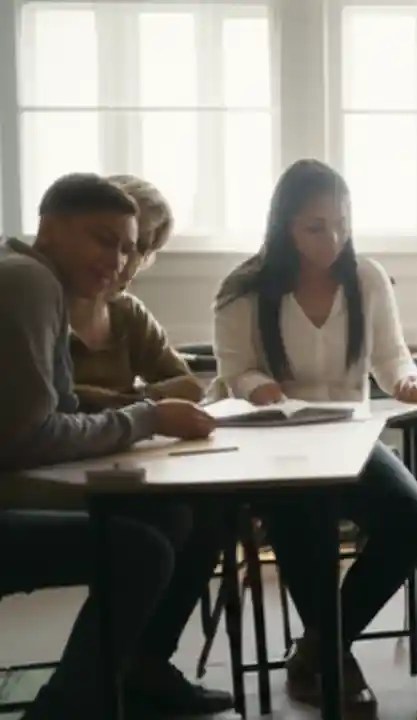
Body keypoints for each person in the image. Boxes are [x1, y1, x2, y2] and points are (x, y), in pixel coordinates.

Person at [0, 173, 232, 719]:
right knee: (143, 550)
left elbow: (58, 412)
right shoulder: (28, 283)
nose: (119, 261)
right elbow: (31, 437)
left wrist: (131, 414)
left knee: (177, 515)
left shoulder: (39, 280)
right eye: (103, 240)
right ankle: (67, 710)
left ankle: (135, 675)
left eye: (131, 249)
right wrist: (145, 415)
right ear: (50, 227)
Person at [212, 158, 417, 712]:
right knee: (304, 520)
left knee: (414, 521)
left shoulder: (367, 278)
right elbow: (235, 369)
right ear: (284, 225)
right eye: (316, 226)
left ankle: (318, 649)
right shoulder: (243, 287)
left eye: (342, 222)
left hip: (348, 435)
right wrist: (265, 391)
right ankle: (335, 664)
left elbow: (391, 357)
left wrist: (407, 381)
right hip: (274, 443)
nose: (333, 238)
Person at [68, 175, 203, 411]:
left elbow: (189, 386)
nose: (129, 262)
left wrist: (132, 399)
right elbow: (46, 398)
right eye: (112, 242)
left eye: (142, 248)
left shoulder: (127, 313)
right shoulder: (39, 304)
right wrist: (135, 404)